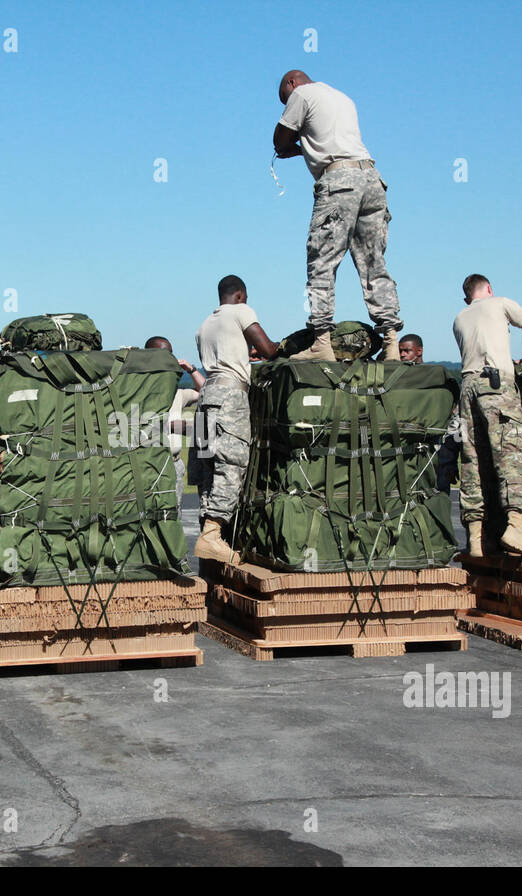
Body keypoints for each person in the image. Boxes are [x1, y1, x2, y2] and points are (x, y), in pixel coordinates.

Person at [273, 69, 401, 362]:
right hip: (371, 179)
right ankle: (391, 342)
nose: (287, 102)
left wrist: (292, 146)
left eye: (284, 97)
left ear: (292, 83)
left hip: (339, 181)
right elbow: (328, 139)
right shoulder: (342, 97)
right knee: (373, 264)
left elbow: (280, 140)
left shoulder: (301, 94)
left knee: (322, 262)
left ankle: (321, 342)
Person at [452, 274, 522, 559]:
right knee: (511, 454)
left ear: (467, 297)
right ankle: (517, 527)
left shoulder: (459, 317)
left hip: (468, 387)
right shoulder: (501, 303)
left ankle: (477, 537)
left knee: (474, 460)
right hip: (496, 385)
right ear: (490, 289)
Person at [192, 275, 280, 564]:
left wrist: (245, 353)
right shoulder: (242, 311)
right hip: (230, 397)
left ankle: (209, 532)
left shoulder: (204, 326)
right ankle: (212, 535)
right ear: (240, 295)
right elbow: (268, 350)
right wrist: (278, 347)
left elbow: (226, 356)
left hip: (207, 395)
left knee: (208, 465)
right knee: (231, 463)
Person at [145, 336, 206, 502]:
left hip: (174, 463)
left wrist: (191, 369)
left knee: (174, 515)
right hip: (149, 466)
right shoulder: (139, 390)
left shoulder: (177, 393)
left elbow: (205, 392)